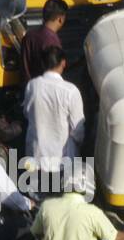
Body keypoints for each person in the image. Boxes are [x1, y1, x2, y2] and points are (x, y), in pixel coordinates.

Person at [23, 46, 85, 174]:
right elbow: (78, 131)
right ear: (63, 63)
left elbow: (26, 114)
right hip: (62, 161)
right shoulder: (71, 91)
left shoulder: (32, 86)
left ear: (43, 63)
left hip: (36, 159)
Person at [20, 0, 67, 82]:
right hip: (46, 92)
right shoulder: (53, 42)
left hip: (28, 90)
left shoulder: (29, 36)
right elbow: (54, 74)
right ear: (60, 19)